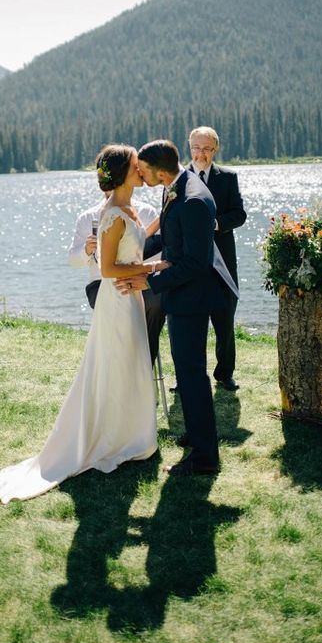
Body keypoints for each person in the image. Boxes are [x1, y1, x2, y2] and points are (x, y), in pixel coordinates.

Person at [0, 144, 168, 503]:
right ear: (123, 172)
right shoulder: (109, 215)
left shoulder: (132, 210)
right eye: (134, 164)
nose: (141, 167)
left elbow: (140, 240)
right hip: (118, 299)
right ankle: (112, 438)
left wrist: (168, 218)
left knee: (130, 363)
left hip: (131, 297)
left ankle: (130, 433)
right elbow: (108, 270)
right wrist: (153, 269)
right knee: (117, 364)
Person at [119, 139, 230, 476]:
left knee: (191, 374)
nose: (140, 174)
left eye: (143, 170)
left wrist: (149, 282)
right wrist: (134, 256)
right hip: (182, 295)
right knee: (189, 372)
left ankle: (205, 458)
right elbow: (171, 241)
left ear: (160, 170)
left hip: (192, 299)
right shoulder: (175, 186)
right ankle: (198, 435)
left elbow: (195, 264)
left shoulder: (193, 199)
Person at [68, 192, 165, 363]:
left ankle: (143, 363)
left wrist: (141, 275)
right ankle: (115, 364)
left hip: (138, 278)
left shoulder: (146, 211)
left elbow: (158, 252)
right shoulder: (87, 217)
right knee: (118, 303)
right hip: (100, 282)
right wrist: (86, 250)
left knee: (156, 302)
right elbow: (74, 261)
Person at [188, 126, 246, 391]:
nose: (201, 154)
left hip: (223, 263)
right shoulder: (179, 178)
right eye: (197, 148)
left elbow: (239, 215)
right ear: (190, 148)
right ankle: (190, 375)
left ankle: (225, 374)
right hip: (190, 265)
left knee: (224, 321)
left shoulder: (228, 177)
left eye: (207, 149)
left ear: (215, 149)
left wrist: (214, 224)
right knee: (192, 325)